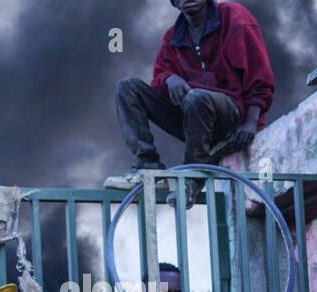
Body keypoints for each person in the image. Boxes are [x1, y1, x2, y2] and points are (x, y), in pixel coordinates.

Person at [107, 0, 275, 203]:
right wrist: (170, 78)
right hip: (195, 119)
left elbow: (259, 74)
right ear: (174, 3)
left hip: (232, 116)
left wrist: (251, 122)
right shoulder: (173, 37)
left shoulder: (233, 16)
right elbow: (159, 78)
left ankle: (191, 181)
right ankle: (147, 165)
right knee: (127, 87)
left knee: (197, 96)